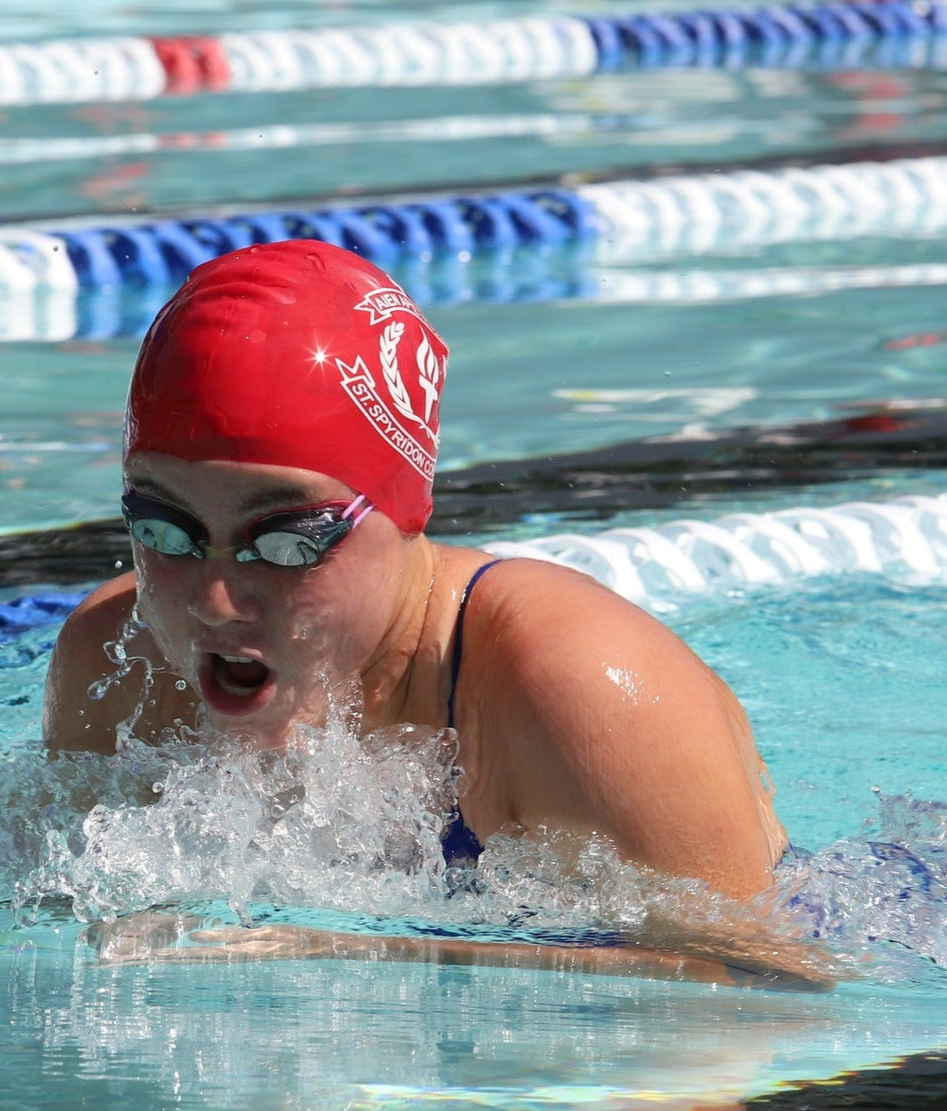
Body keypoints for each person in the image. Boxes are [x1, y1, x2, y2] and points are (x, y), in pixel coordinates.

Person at [44, 238, 787, 914]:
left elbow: (760, 993)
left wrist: (345, 958)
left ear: (405, 511)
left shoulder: (580, 688)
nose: (214, 602)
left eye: (288, 543)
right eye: (164, 532)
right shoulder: (115, 664)